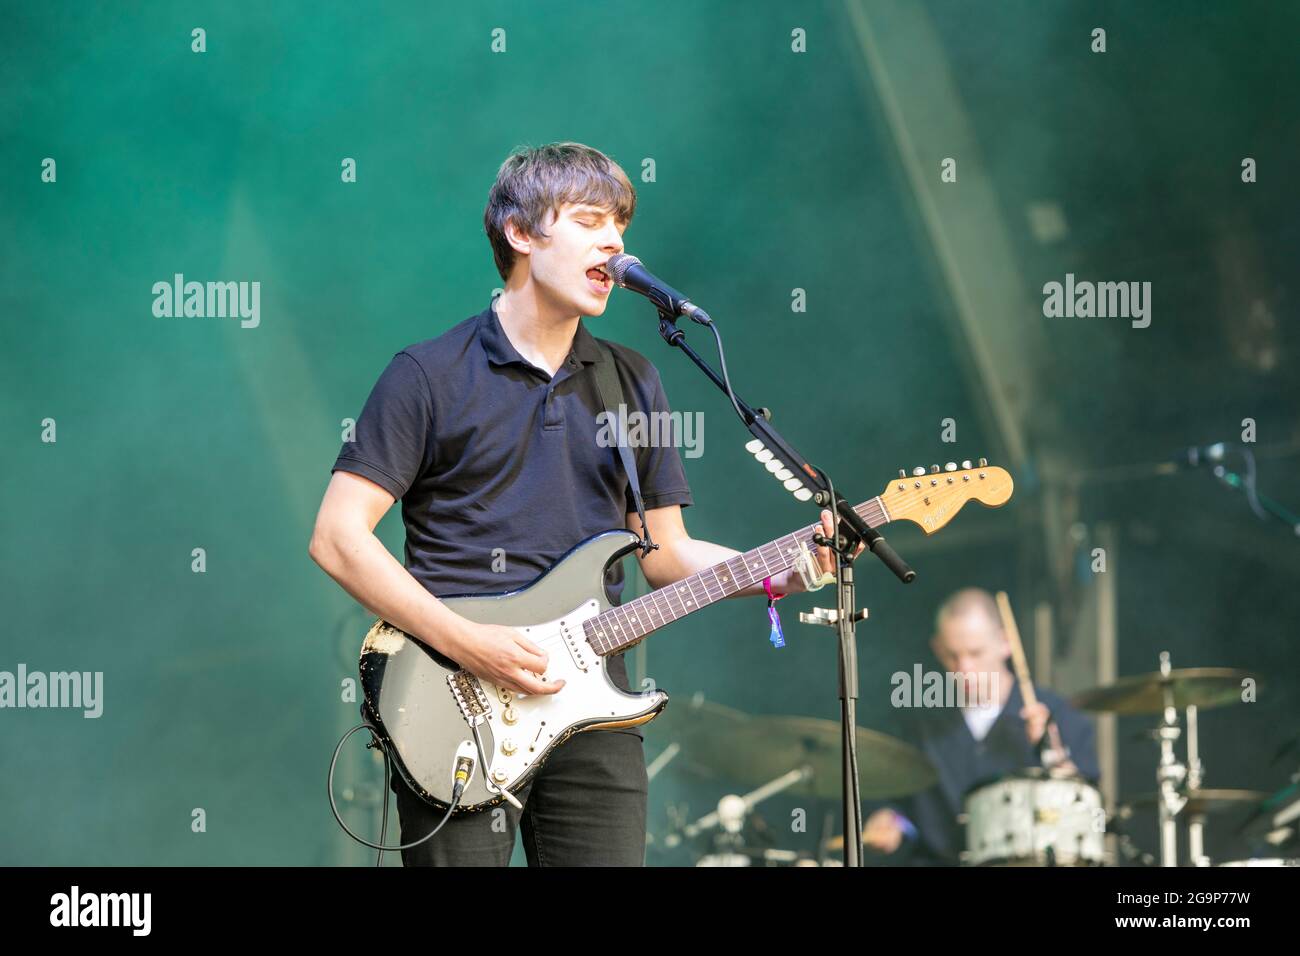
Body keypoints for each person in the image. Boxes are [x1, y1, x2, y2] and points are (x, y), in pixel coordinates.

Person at [309, 142, 845, 866]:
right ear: (520, 233)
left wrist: (785, 567)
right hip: (457, 703)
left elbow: (669, 554)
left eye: (621, 224)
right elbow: (338, 537)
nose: (616, 241)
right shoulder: (427, 376)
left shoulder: (632, 381)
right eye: (592, 219)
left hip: (594, 713)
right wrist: (467, 642)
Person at [863, 587, 1099, 865]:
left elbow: (1084, 811)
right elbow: (883, 792)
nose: (964, 668)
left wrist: (1052, 753)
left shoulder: (1057, 714)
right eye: (952, 655)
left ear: (1005, 642)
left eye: (975, 653)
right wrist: (886, 817)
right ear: (937, 648)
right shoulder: (915, 722)